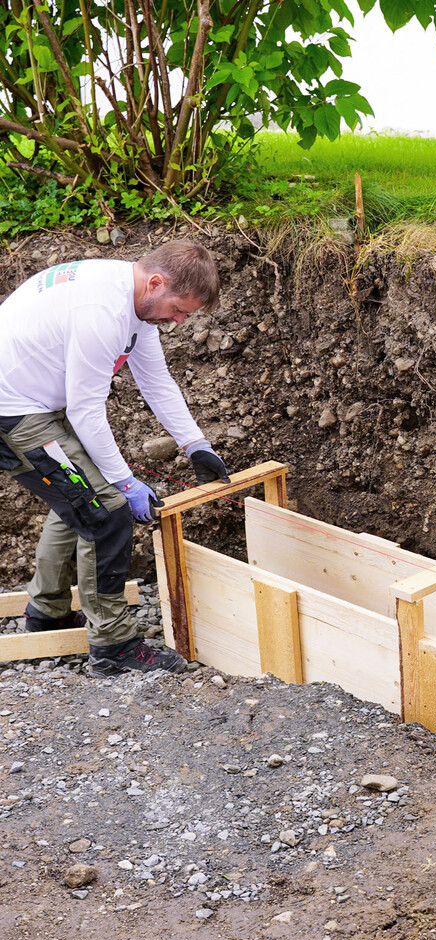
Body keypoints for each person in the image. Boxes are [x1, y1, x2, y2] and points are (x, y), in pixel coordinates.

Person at [0, 241, 230, 677]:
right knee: (105, 512)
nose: (179, 321)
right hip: (10, 411)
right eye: (179, 309)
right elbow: (86, 410)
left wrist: (195, 444)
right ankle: (114, 647)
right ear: (156, 282)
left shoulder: (136, 304)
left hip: (35, 400)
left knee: (80, 495)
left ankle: (45, 613)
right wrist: (125, 483)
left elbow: (156, 380)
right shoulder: (101, 312)